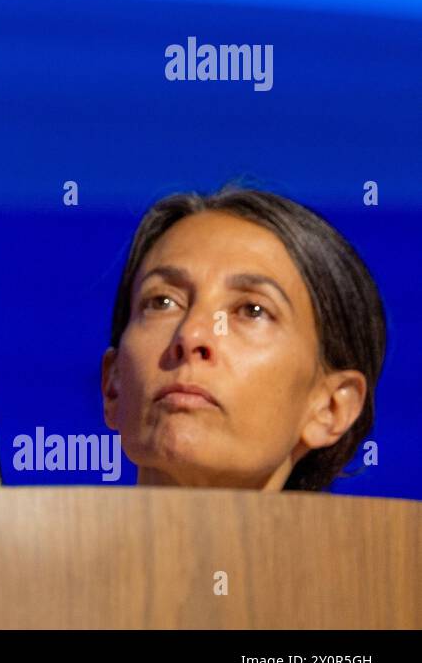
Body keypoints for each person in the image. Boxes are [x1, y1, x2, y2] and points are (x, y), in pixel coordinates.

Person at [101, 186, 384, 491]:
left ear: (330, 408)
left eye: (252, 310)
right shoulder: (45, 539)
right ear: (113, 386)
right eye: (162, 302)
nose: (191, 335)